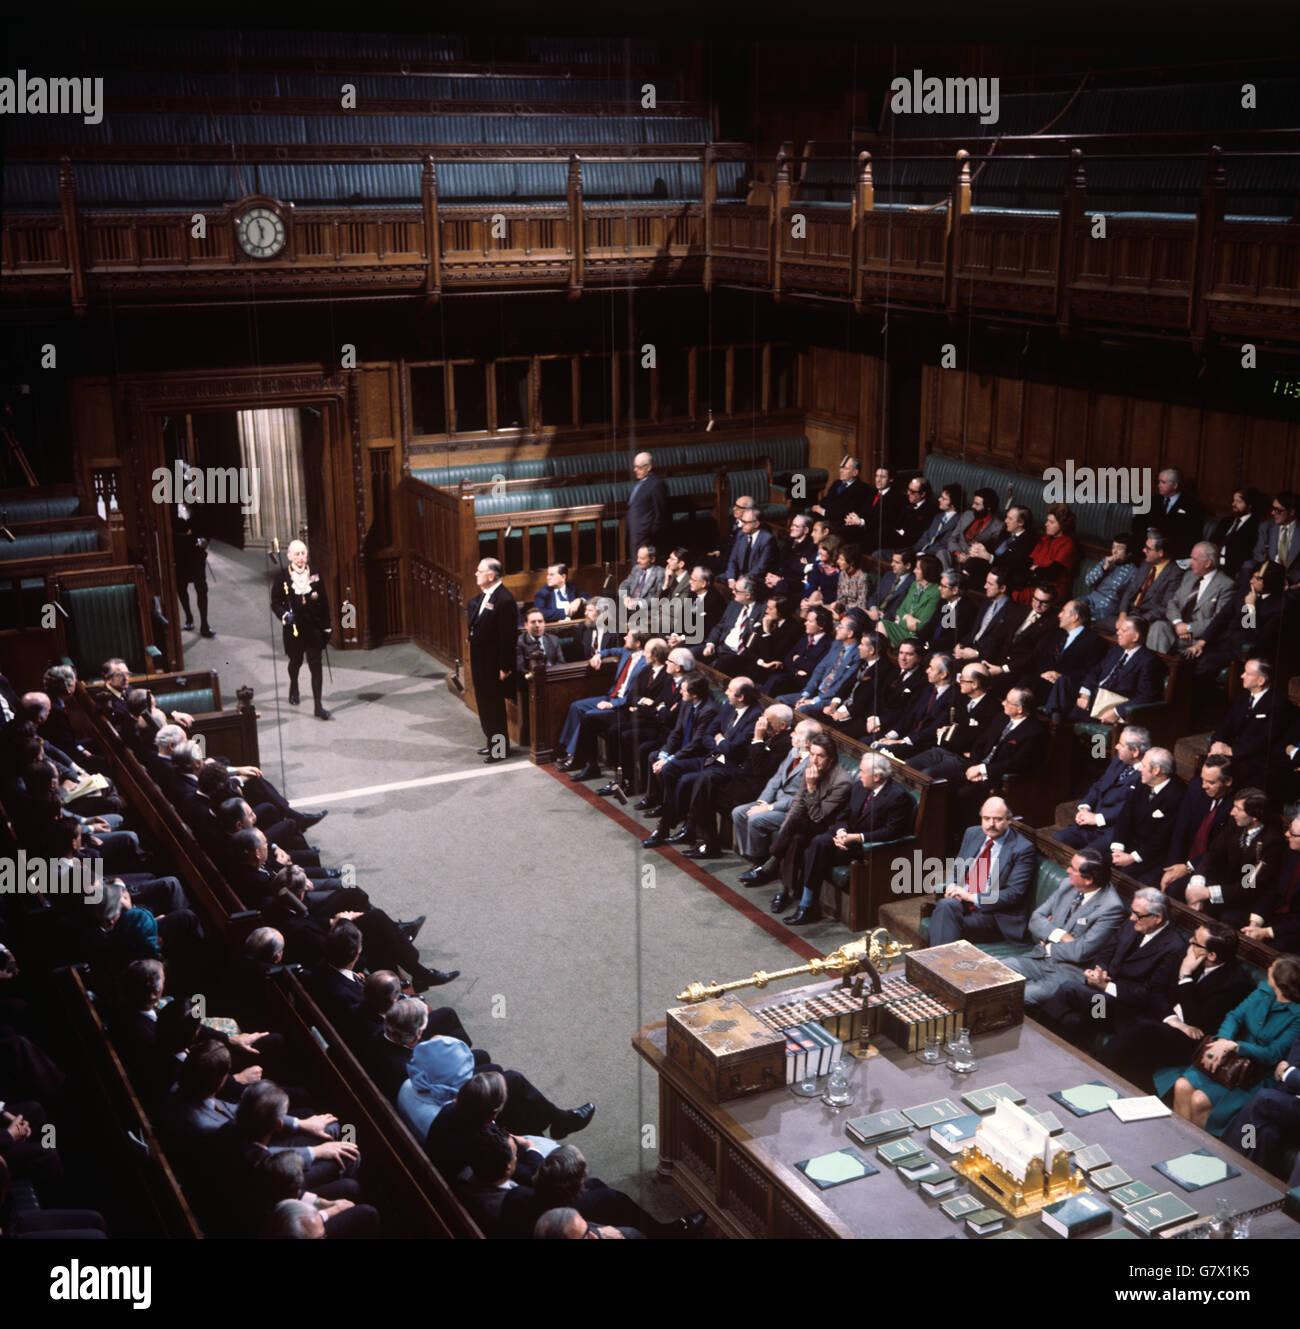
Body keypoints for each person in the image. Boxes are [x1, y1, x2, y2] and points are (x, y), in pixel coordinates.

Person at [1102, 921, 1253, 1093]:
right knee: (1097, 1003)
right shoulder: (1185, 952)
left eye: (1195, 941)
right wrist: (1172, 1020)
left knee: (1141, 1030)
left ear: (1211, 955)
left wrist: (1185, 977)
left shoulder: (1236, 983)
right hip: (1161, 1016)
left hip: (1188, 1040)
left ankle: (1097, 1077)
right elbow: (1155, 988)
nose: (1189, 942)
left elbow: (1197, 1020)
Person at [1168, 956, 1300, 1137]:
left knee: (1200, 1100)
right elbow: (1234, 1016)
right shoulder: (1263, 991)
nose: (1268, 968)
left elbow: (1273, 1054)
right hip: (1228, 1058)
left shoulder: (1297, 1016)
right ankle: (1174, 1144)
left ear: (1281, 984)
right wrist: (1223, 1041)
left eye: (1273, 968)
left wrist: (1235, 1046)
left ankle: (1199, 1154)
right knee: (1181, 1085)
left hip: (1254, 1075)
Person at [779, 751, 914, 926]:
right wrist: (841, 831)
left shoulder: (897, 797)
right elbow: (843, 814)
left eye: (862, 772)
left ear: (877, 776)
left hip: (865, 849)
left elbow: (892, 831)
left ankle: (806, 904)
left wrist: (857, 838)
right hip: (844, 838)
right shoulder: (860, 787)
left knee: (817, 845)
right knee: (804, 838)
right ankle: (797, 897)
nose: (858, 775)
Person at [1036, 887, 1186, 1041]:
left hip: (1123, 1009)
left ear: (1157, 918)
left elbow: (1152, 993)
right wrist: (1099, 972)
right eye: (1133, 912)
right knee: (1073, 1020)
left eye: (1138, 915)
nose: (1132, 918)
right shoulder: (1132, 924)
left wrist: (1106, 987)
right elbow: (1106, 953)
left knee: (1069, 989)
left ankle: (1036, 1036)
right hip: (1099, 998)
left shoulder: (1174, 947)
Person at [1001, 849, 1127, 1010]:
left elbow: (1081, 951)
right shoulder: (1067, 884)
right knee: (990, 973)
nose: (1067, 871)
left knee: (1012, 998)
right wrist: (1060, 934)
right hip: (1038, 958)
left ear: (1088, 880)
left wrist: (1048, 944)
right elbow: (1035, 919)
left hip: (1067, 973)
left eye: (1073, 869)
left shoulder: (1111, 908)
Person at [740, 732, 851, 898]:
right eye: (812, 754)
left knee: (799, 825)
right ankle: (785, 892)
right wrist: (786, 828)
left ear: (831, 759)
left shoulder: (842, 781)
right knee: (796, 838)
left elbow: (818, 816)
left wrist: (812, 787)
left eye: (820, 756)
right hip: (802, 824)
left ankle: (771, 867)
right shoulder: (809, 767)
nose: (814, 760)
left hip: (826, 827)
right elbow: (798, 804)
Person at [925, 797, 1036, 947]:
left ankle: (932, 966)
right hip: (963, 901)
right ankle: (938, 966)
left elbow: (1013, 894)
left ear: (1009, 820)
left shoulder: (1022, 849)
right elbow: (958, 867)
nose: (991, 824)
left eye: (997, 819)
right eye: (986, 818)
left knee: (942, 924)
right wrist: (953, 887)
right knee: (946, 906)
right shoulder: (972, 833)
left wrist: (971, 897)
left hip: (994, 915)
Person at [731, 719, 820, 867]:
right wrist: (762, 802)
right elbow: (776, 778)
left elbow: (801, 799)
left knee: (755, 819)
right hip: (774, 801)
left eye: (797, 733)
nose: (791, 735)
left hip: (791, 810)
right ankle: (748, 853)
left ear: (807, 742)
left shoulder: (813, 763)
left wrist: (769, 808)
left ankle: (759, 862)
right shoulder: (794, 751)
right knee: (738, 812)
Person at [1052, 725, 1149, 850]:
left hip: (1113, 832)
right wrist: (1085, 807)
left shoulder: (1147, 775)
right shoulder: (1119, 760)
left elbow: (1128, 808)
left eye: (1121, 744)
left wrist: (1097, 819)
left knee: (1085, 858)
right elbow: (1099, 784)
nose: (1116, 747)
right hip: (1090, 824)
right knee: (1055, 841)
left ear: (1135, 751)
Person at [270, 539, 333, 720]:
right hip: (294, 630)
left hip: (313, 628)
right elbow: (275, 603)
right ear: (289, 556)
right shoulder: (282, 577)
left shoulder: (315, 573)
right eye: (296, 554)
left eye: (303, 553)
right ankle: (294, 684)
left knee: (316, 665)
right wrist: (284, 615)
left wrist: (327, 626)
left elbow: (323, 602)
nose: (300, 558)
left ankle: (318, 706)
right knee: (295, 661)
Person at [1225, 1029, 1300, 1177]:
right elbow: (1292, 1064)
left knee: (1265, 1099)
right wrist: (1288, 1075)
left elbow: (1286, 1071)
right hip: (1291, 1100)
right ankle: (1249, 1181)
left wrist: (1288, 1074)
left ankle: (1228, 1157)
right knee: (1267, 1133)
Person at [466, 558, 518, 762]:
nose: (475, 574)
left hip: (494, 663)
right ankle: (491, 743)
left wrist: (505, 667)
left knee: (494, 708)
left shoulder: (504, 600)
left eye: (479, 571)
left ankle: (499, 750)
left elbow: (508, 637)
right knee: (485, 705)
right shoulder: (485, 596)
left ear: (491, 576)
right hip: (481, 660)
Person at [1145, 541, 1234, 656]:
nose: (1190, 562)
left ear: (1207, 563)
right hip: (1176, 629)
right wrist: (1178, 623)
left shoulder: (1226, 585)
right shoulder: (1189, 576)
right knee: (1158, 626)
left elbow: (1218, 620)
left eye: (1194, 559)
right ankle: (1149, 668)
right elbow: (1173, 603)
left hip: (1197, 639)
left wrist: (1189, 628)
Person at [1011, 503, 1077, 607]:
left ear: (1062, 525)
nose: (1046, 524)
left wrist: (1035, 570)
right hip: (1035, 583)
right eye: (1047, 521)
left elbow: (1052, 573)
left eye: (1051, 522)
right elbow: (1028, 563)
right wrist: (1035, 570)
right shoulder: (1045, 539)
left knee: (1014, 594)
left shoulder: (1067, 544)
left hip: (1051, 589)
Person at [173, 494, 215, 637]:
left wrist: (205, 541)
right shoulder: (170, 508)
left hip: (196, 555)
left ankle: (204, 624)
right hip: (179, 556)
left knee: (201, 588)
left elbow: (207, 526)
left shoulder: (198, 506)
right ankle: (189, 617)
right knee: (181, 587)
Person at [1083, 532, 1142, 622]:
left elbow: (1127, 598)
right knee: (1073, 607)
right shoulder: (1105, 561)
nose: (1114, 551)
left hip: (1108, 607)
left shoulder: (1133, 572)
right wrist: (1104, 568)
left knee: (1083, 617)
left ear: (1129, 553)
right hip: (1091, 599)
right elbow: (1088, 581)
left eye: (1119, 549)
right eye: (1113, 547)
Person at [1151, 467, 1206, 561]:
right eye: (1158, 482)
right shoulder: (1155, 500)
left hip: (1174, 553)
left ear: (1175, 485)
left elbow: (1190, 537)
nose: (1159, 485)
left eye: (1163, 482)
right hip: (1151, 547)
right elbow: (1138, 523)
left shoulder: (1192, 506)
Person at [1213, 488, 1263, 579]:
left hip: (1232, 568)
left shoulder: (1256, 526)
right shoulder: (1225, 521)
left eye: (1239, 502)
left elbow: (1248, 552)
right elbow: (1212, 542)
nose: (1233, 504)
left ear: (1249, 505)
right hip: (1213, 563)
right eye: (1233, 501)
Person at [625, 452, 668, 555]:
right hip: (635, 535)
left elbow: (660, 512)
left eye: (639, 467)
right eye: (635, 467)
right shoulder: (639, 483)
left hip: (646, 537)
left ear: (649, 467)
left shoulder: (656, 484)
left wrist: (649, 532)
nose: (635, 470)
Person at [722, 507, 775, 587]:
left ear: (756, 524)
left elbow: (760, 568)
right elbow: (732, 560)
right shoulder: (741, 533)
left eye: (745, 522)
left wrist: (741, 581)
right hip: (738, 576)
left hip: (754, 579)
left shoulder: (767, 539)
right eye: (742, 521)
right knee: (713, 579)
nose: (742, 524)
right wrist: (731, 579)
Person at [515, 607, 564, 676]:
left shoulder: (554, 640)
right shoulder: (519, 643)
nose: (537, 625)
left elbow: (561, 663)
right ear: (526, 625)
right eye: (533, 622)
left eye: (540, 621)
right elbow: (520, 669)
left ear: (544, 623)